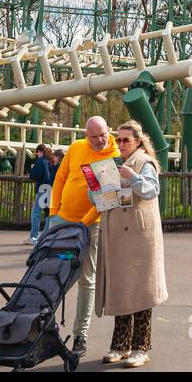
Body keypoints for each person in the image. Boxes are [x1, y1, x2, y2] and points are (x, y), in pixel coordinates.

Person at [97, 120, 168, 368]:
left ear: (138, 141)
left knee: (141, 291)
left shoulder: (144, 163)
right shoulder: (114, 164)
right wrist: (96, 189)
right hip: (119, 236)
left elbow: (151, 190)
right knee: (121, 290)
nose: (121, 144)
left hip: (140, 238)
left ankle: (141, 347)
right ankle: (120, 345)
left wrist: (133, 176)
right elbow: (105, 201)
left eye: (126, 139)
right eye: (118, 139)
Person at [49, 116, 121, 358]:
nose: (100, 140)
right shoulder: (77, 147)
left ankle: (81, 335)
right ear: (85, 134)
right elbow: (60, 179)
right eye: (94, 136)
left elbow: (107, 199)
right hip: (62, 222)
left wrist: (83, 224)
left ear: (108, 130)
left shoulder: (113, 157)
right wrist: (54, 213)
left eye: (103, 134)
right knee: (54, 273)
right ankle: (45, 326)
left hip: (90, 228)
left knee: (86, 280)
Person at [28, 144, 56, 244]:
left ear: (40, 152)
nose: (37, 154)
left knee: (36, 213)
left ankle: (34, 236)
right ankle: (45, 236)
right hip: (51, 188)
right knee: (48, 212)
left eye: (37, 152)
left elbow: (34, 175)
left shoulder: (40, 161)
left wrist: (32, 168)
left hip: (42, 188)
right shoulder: (51, 161)